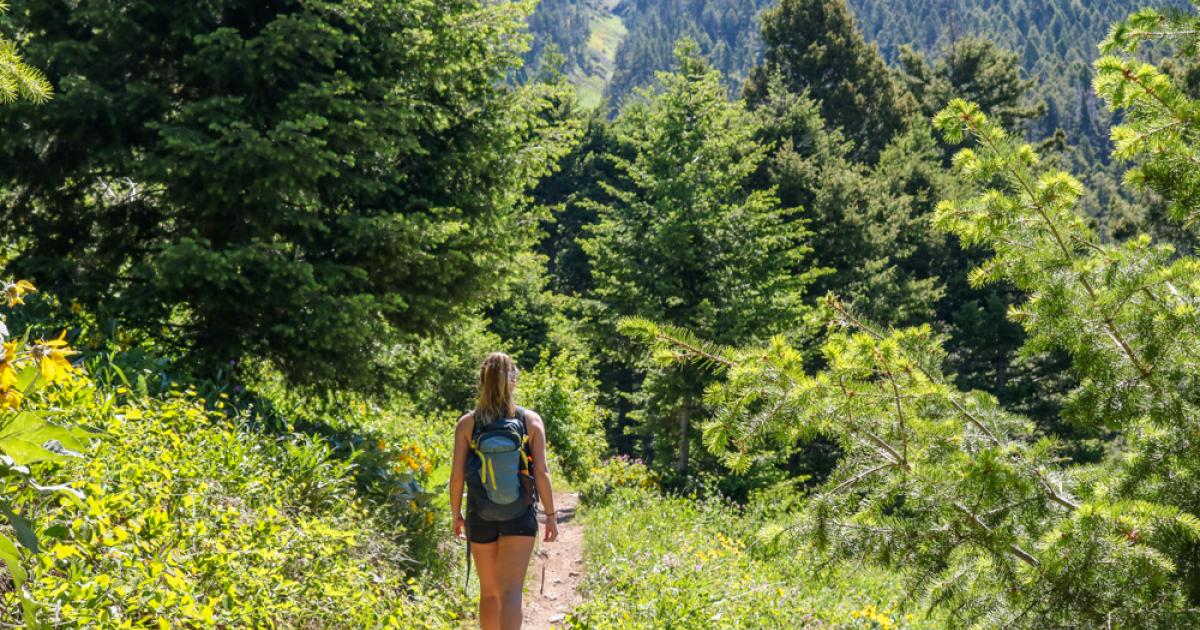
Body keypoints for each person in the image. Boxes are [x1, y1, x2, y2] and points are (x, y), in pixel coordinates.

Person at [450, 352, 558, 630]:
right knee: (511, 592)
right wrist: (551, 516)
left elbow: (457, 476)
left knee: (489, 593)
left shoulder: (467, 424)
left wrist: (456, 515)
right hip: (519, 512)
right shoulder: (530, 421)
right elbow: (541, 473)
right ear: (513, 382)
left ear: (481, 382)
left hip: (480, 513)